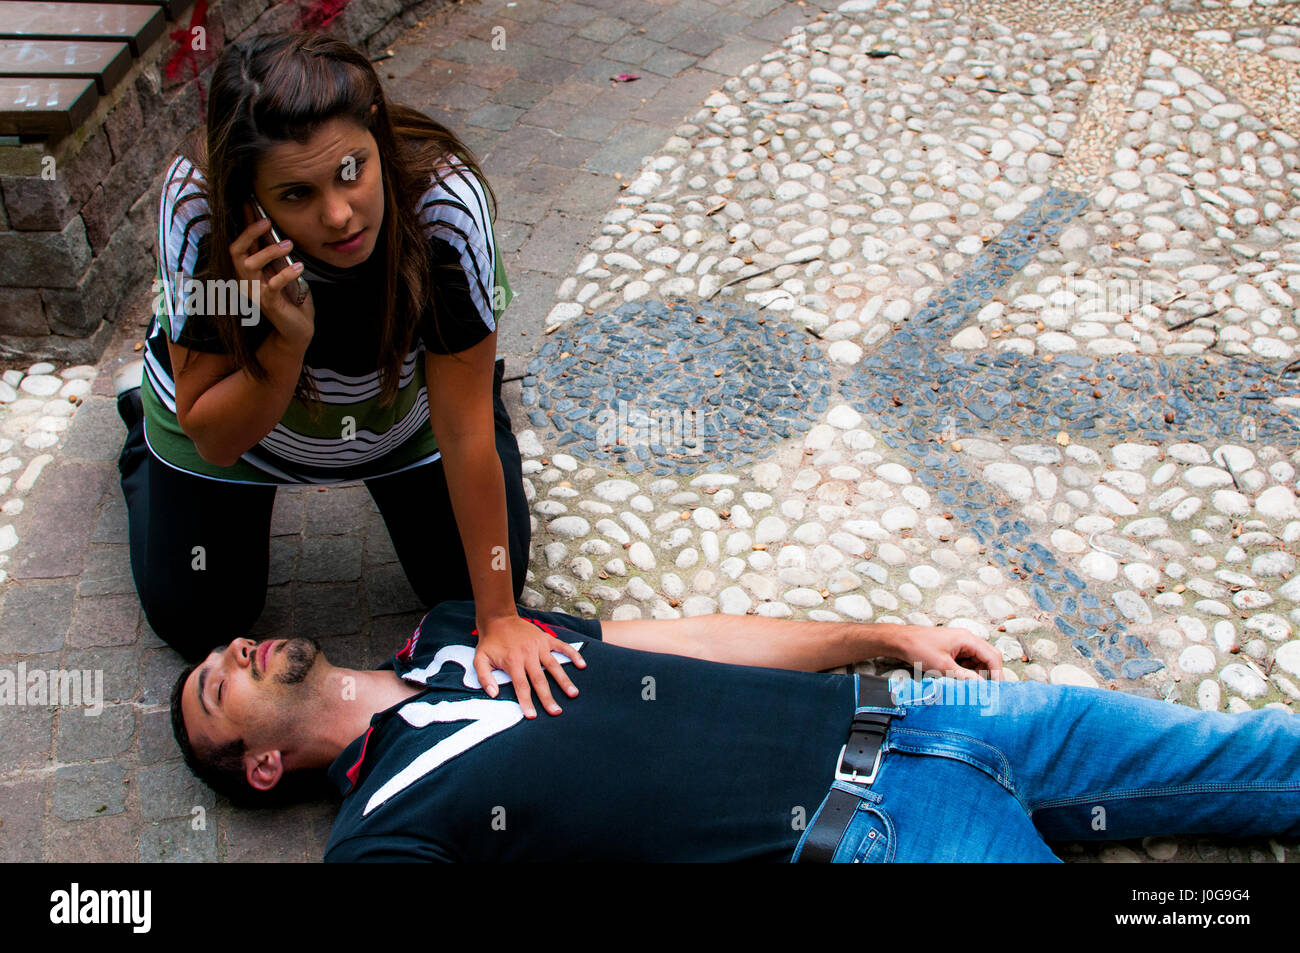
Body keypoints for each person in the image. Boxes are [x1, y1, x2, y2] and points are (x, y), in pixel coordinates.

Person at [116, 32, 571, 714]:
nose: (337, 214)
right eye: (297, 194)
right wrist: (282, 346)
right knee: (197, 618)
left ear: (378, 138)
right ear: (249, 200)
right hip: (240, 425)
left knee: (465, 583)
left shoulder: (445, 204)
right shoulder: (197, 211)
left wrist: (500, 618)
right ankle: (138, 422)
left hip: (403, 422)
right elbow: (214, 438)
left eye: (352, 169)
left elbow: (464, 427)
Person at [171, 600, 1300, 862]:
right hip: (876, 841)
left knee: (1250, 754)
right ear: (262, 764)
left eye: (224, 649)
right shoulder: (377, 832)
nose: (233, 652)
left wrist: (881, 630)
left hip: (924, 714)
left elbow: (683, 639)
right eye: (217, 688)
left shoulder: (463, 629)